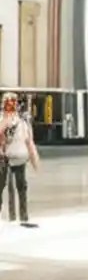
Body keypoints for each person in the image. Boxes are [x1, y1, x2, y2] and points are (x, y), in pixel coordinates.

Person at [0, 92, 39, 227]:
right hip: (5, 159)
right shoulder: (2, 120)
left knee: (21, 188)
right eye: (7, 101)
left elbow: (29, 141)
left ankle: (23, 217)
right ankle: (12, 218)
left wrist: (34, 160)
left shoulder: (22, 121)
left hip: (20, 158)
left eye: (13, 101)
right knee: (6, 187)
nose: (11, 104)